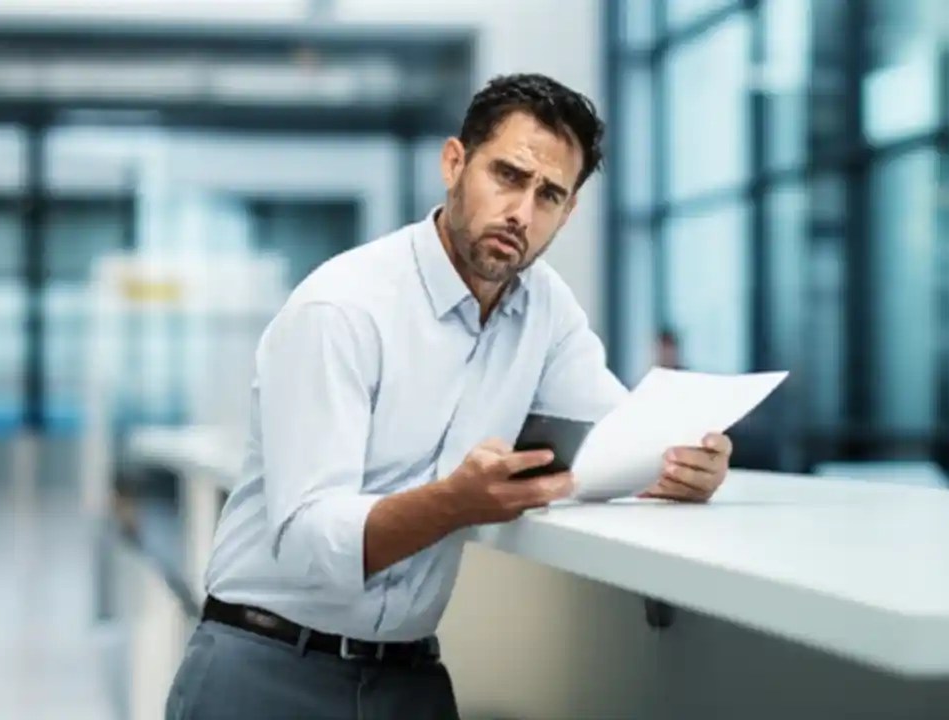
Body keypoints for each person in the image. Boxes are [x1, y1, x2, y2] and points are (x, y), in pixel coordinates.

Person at [164, 73, 735, 720]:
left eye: (549, 194)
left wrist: (682, 463)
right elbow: (311, 543)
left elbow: (614, 432)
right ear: (454, 163)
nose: (522, 212)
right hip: (265, 670)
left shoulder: (544, 308)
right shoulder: (343, 308)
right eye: (508, 176)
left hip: (409, 678)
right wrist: (455, 504)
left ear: (569, 211)